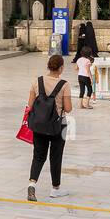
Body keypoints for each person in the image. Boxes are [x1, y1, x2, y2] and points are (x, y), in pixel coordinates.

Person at [26, 53, 72, 200]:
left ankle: (32, 184)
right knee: (56, 156)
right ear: (61, 68)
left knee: (38, 155)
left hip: (39, 123)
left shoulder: (36, 82)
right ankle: (55, 188)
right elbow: (68, 108)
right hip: (59, 125)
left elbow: (30, 105)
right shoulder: (64, 85)